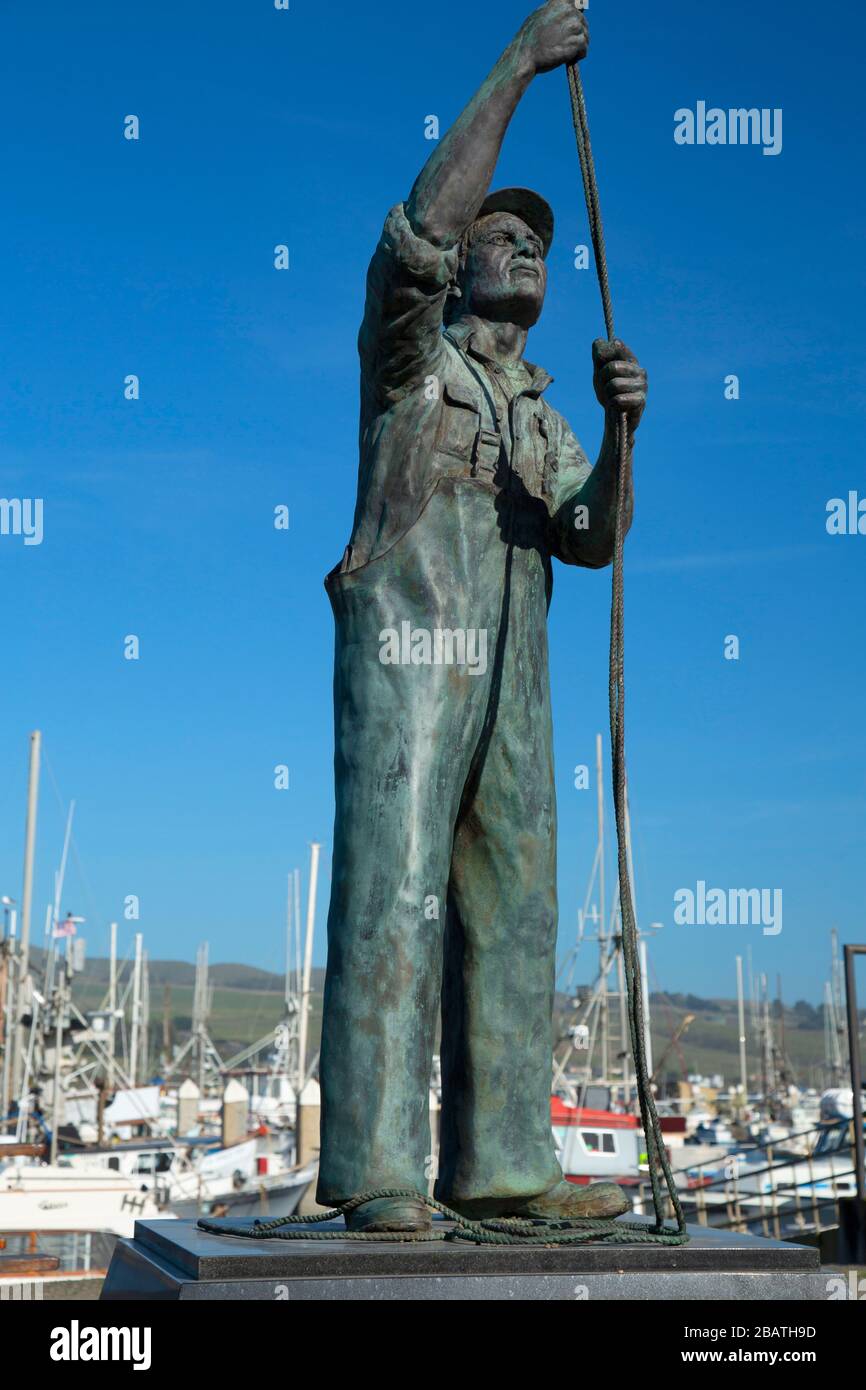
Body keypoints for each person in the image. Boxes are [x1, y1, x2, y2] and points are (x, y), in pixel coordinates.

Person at [318, 0, 647, 1233]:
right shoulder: (407, 364)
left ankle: (503, 1162)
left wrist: (621, 436)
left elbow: (593, 534)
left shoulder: (538, 413)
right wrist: (517, 63)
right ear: (465, 265)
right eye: (498, 234)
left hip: (515, 677)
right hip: (412, 655)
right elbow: (411, 234)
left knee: (514, 897)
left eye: (536, 243)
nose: (519, 248)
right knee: (393, 891)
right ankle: (374, 1169)